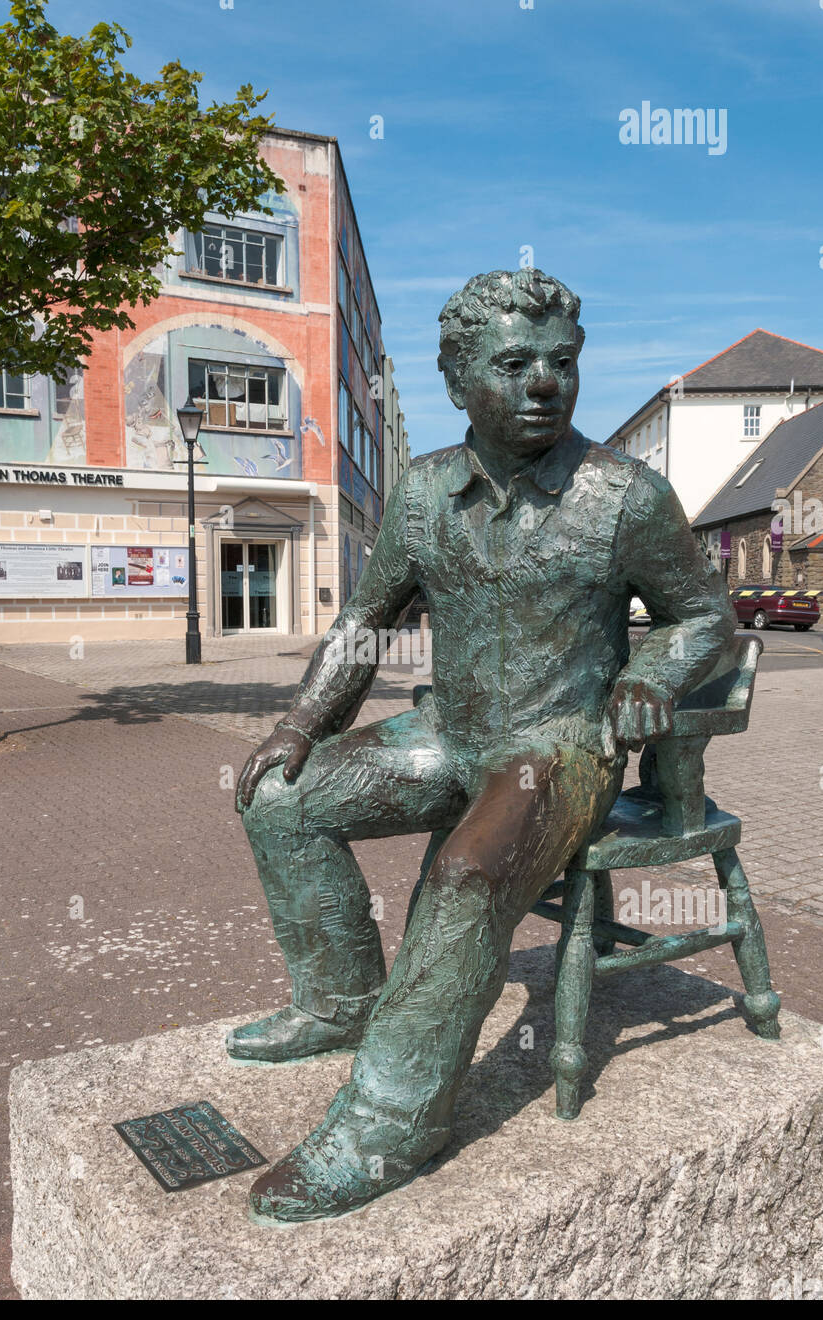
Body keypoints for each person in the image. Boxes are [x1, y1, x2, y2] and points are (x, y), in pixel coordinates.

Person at [231, 268, 735, 1222]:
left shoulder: (624, 495)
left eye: (562, 363)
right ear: (458, 380)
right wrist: (301, 724)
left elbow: (704, 619)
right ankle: (339, 1001)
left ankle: (391, 1120)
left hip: (560, 751)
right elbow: (362, 626)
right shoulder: (421, 495)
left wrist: (649, 677)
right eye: (514, 364)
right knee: (278, 797)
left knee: (465, 876)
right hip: (443, 735)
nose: (545, 382)